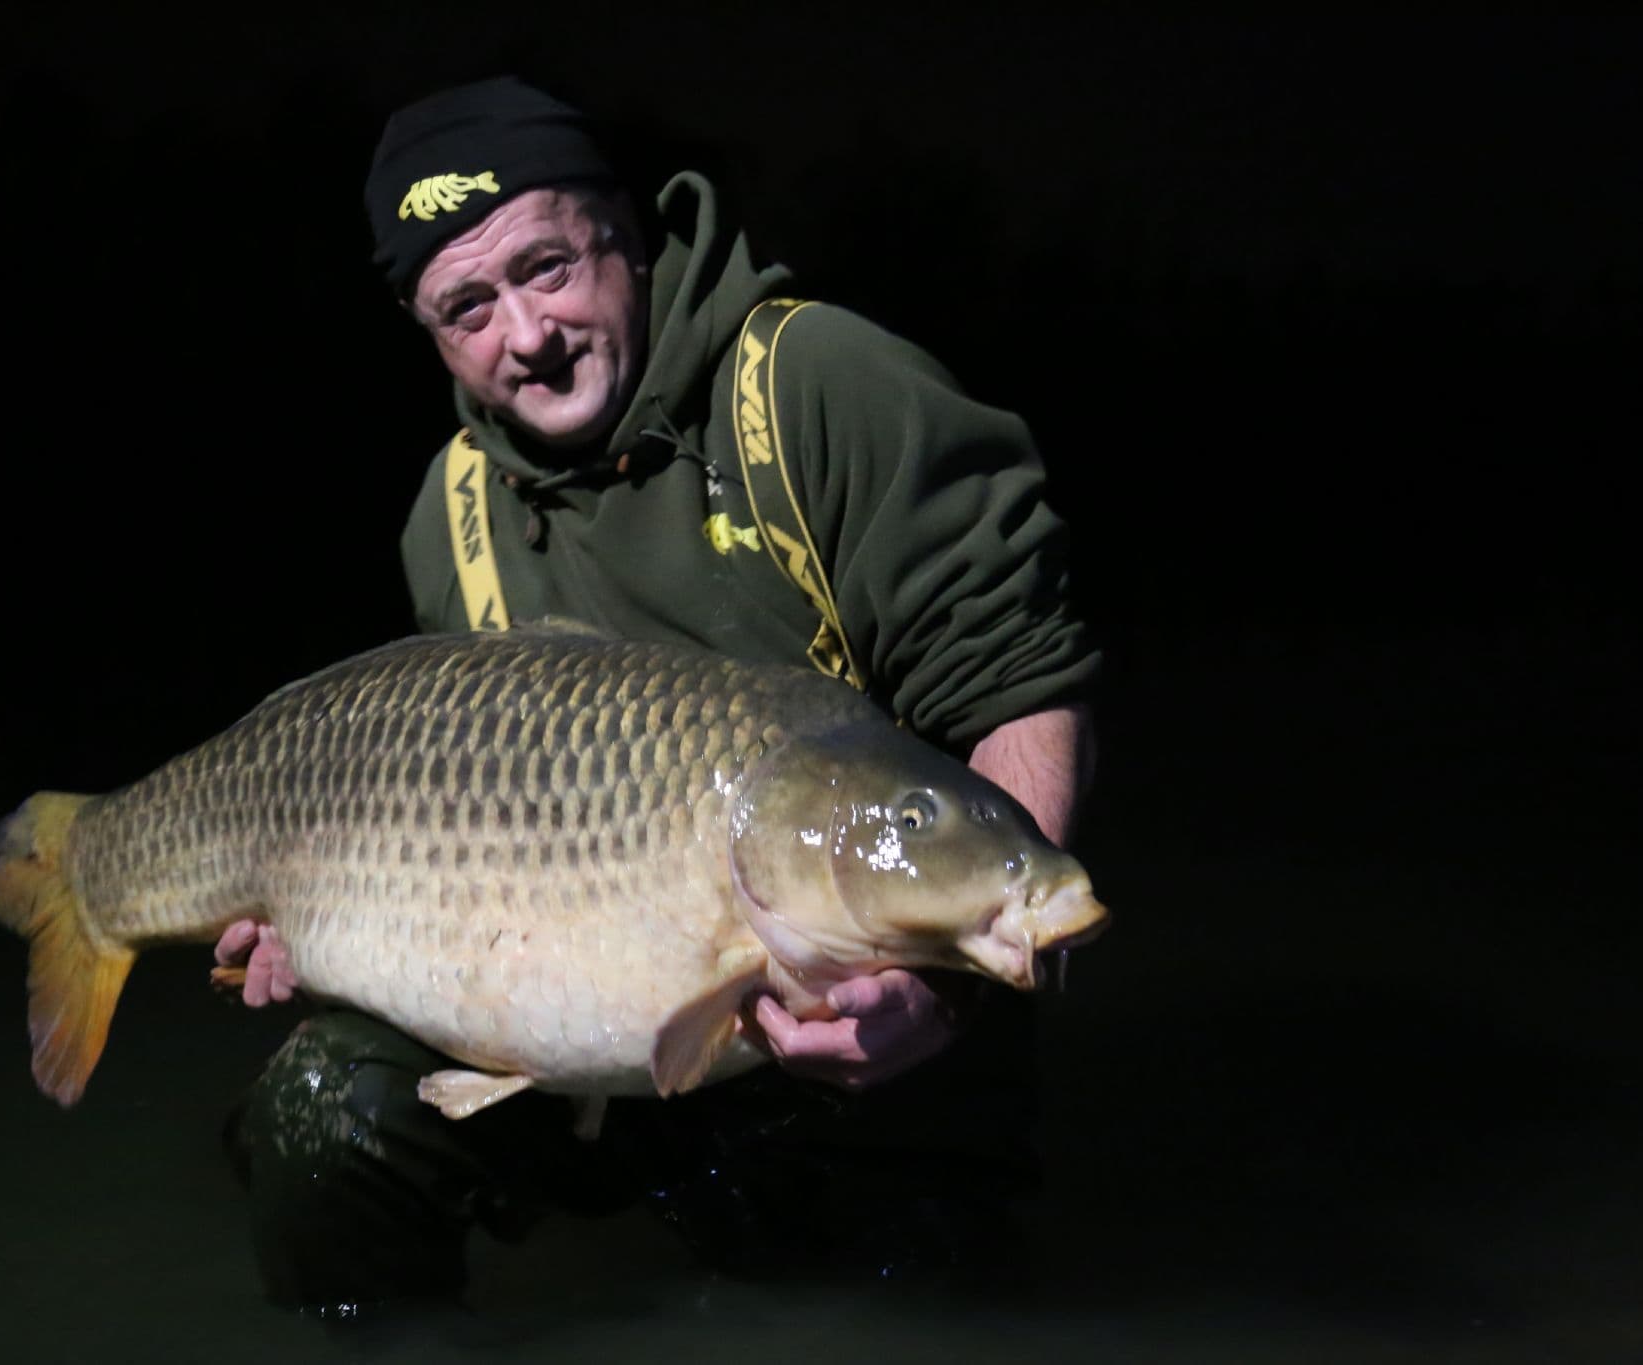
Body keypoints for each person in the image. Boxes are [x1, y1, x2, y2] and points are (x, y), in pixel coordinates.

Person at [214, 75, 1100, 1312]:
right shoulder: (452, 511)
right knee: (320, 1115)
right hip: (598, 1051)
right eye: (467, 306)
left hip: (882, 1036)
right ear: (428, 333)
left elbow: (1019, 686)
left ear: (622, 238)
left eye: (546, 268)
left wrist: (941, 992)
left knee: (893, 1306)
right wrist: (327, 927)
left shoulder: (818, 386)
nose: (525, 334)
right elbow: (460, 838)